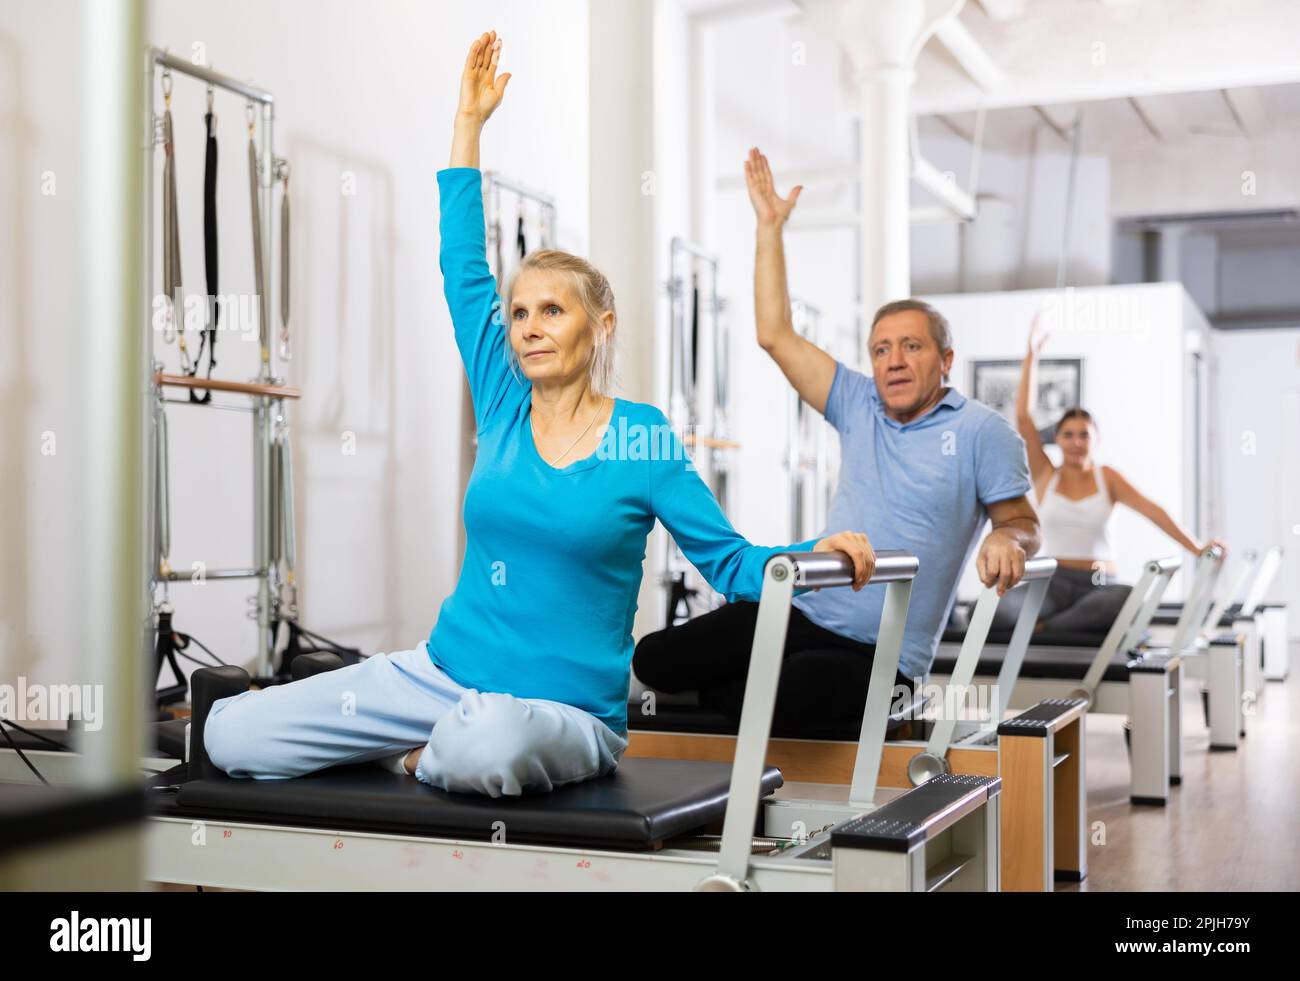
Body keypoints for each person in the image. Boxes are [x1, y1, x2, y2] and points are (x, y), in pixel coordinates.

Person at [203, 33, 877, 797]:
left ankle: (436, 749)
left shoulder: (642, 439)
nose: (527, 326)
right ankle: (420, 743)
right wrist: (468, 124)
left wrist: (817, 555)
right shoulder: (501, 396)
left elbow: (729, 562)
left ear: (602, 324)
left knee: (486, 743)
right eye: (520, 312)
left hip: (564, 712)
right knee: (230, 732)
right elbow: (463, 270)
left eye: (551, 310)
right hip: (441, 675)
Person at [632, 149, 1041, 734]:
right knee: (655, 661)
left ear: (946, 359)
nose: (894, 362)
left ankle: (755, 701)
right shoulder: (858, 403)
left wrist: (1008, 538)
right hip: (801, 611)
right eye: (881, 349)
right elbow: (775, 335)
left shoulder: (982, 431)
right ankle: (739, 695)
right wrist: (769, 228)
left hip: (885, 657)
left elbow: (1023, 519)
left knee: (781, 693)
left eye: (912, 347)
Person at [991, 314, 1227, 633]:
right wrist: (1032, 354)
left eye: (1084, 435)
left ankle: (1046, 629)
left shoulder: (1108, 478)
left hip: (1100, 584)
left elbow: (1154, 512)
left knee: (1127, 599)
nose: (1076, 442)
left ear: (1096, 440)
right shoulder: (1046, 473)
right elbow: (1023, 416)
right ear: (1056, 440)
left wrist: (1197, 548)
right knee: (998, 611)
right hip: (1053, 582)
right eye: (1068, 434)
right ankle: (1057, 627)